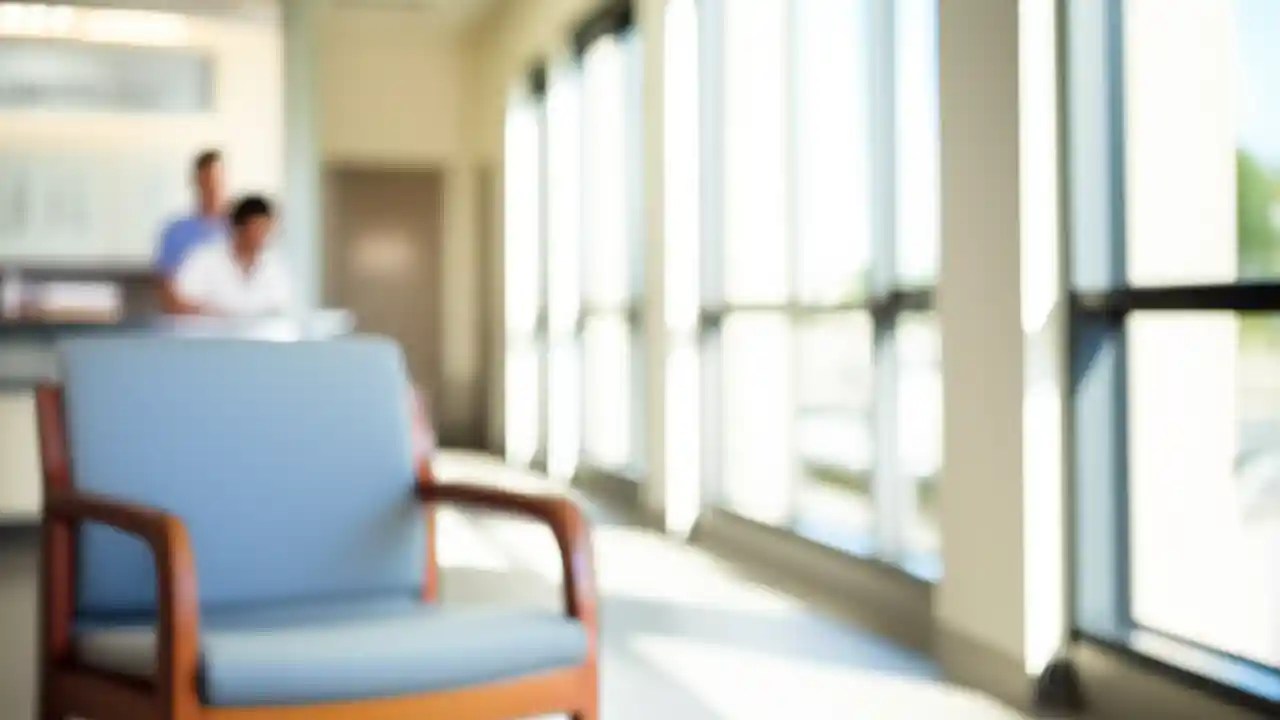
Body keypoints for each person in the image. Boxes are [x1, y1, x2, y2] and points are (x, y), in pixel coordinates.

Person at [167, 195, 292, 317]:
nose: (263, 236)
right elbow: (178, 304)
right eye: (257, 228)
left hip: (259, 335)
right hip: (210, 334)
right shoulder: (204, 258)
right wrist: (213, 314)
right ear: (239, 228)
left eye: (267, 229)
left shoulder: (273, 265)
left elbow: (280, 308)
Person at [155, 150, 228, 307]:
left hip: (235, 324)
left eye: (217, 180)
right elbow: (166, 291)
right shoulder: (176, 232)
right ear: (196, 182)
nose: (213, 188)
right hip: (189, 324)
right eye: (207, 180)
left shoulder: (239, 231)